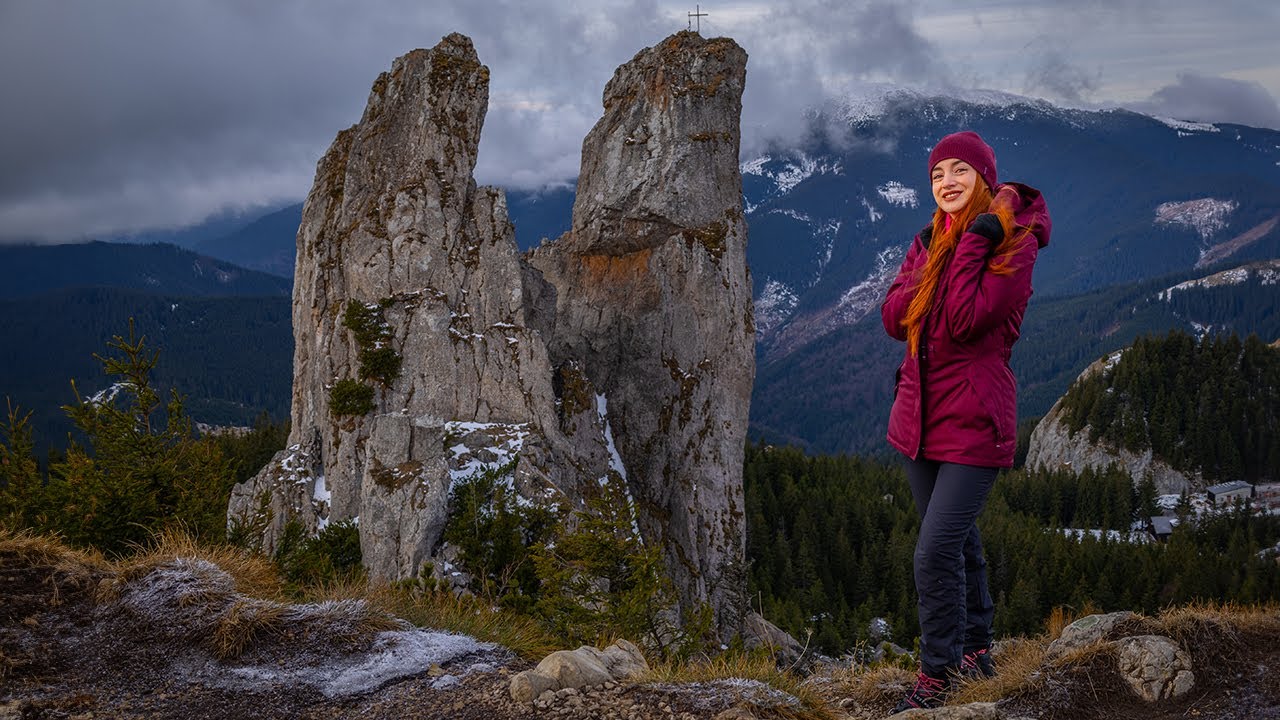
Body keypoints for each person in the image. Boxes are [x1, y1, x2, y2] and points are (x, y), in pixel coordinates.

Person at [880, 130, 1051, 712]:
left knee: (933, 552)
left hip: (975, 420)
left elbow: (965, 318)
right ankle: (977, 648)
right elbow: (892, 315)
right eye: (937, 175)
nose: (947, 183)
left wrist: (976, 240)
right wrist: (940, 259)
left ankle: (937, 673)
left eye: (959, 171)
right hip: (920, 419)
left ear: (984, 177)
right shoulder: (929, 238)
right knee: (957, 541)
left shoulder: (1013, 240)